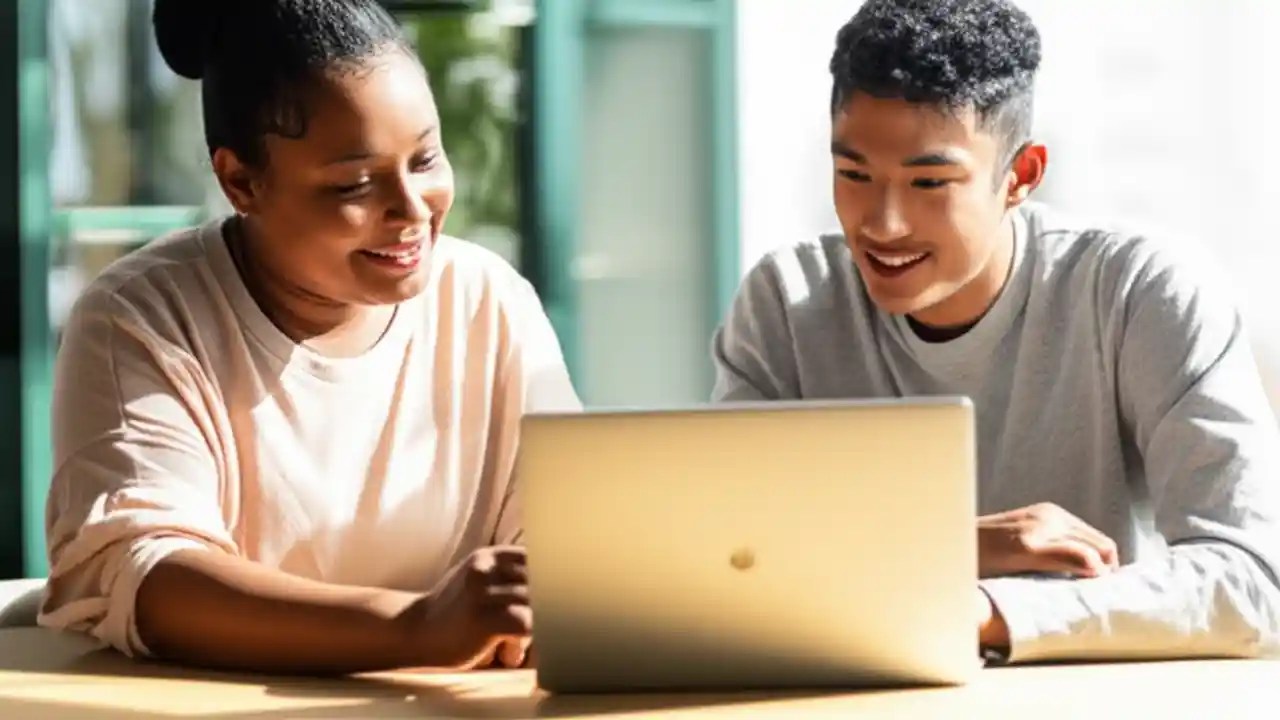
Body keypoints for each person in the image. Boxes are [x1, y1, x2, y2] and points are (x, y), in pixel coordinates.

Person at [712, 0, 1280, 663]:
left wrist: (980, 608)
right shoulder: (787, 302)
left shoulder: (1139, 291)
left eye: (930, 182)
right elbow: (733, 560)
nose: (883, 224)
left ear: (1022, 176)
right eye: (854, 175)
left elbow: (1253, 582)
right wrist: (964, 544)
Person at [40, 0, 579, 675]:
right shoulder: (140, 318)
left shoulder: (489, 301)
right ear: (240, 180)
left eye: (425, 159)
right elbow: (145, 575)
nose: (412, 211)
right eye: (355, 183)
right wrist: (417, 627)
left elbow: (565, 540)